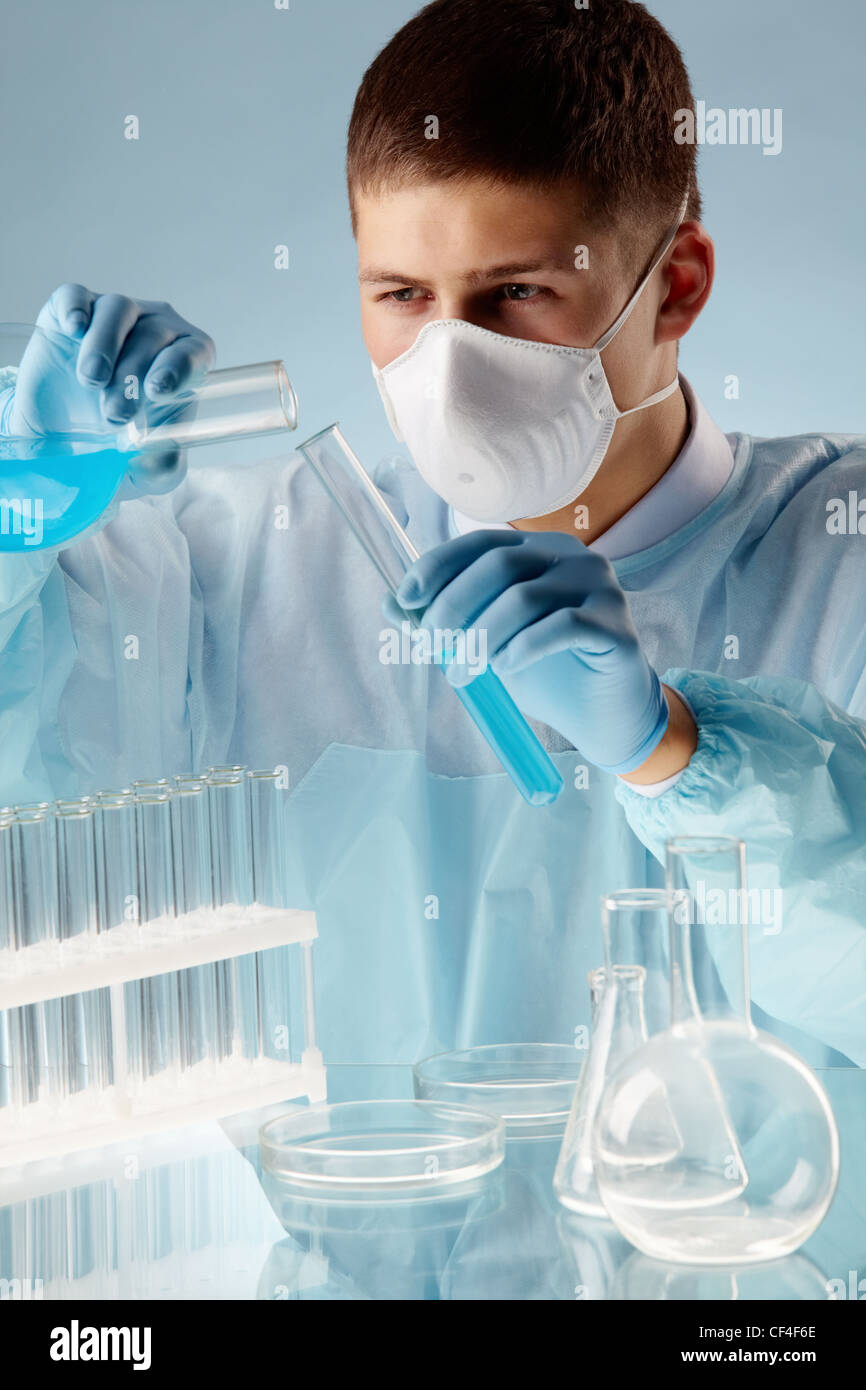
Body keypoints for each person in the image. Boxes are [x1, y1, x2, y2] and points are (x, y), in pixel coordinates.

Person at [1, 0, 864, 1067]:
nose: (448, 363)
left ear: (673, 284)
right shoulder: (235, 568)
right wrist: (19, 524)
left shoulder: (839, 562)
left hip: (736, 1240)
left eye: (515, 293)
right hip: (318, 1231)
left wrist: (670, 749)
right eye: (402, 293)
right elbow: (32, 813)